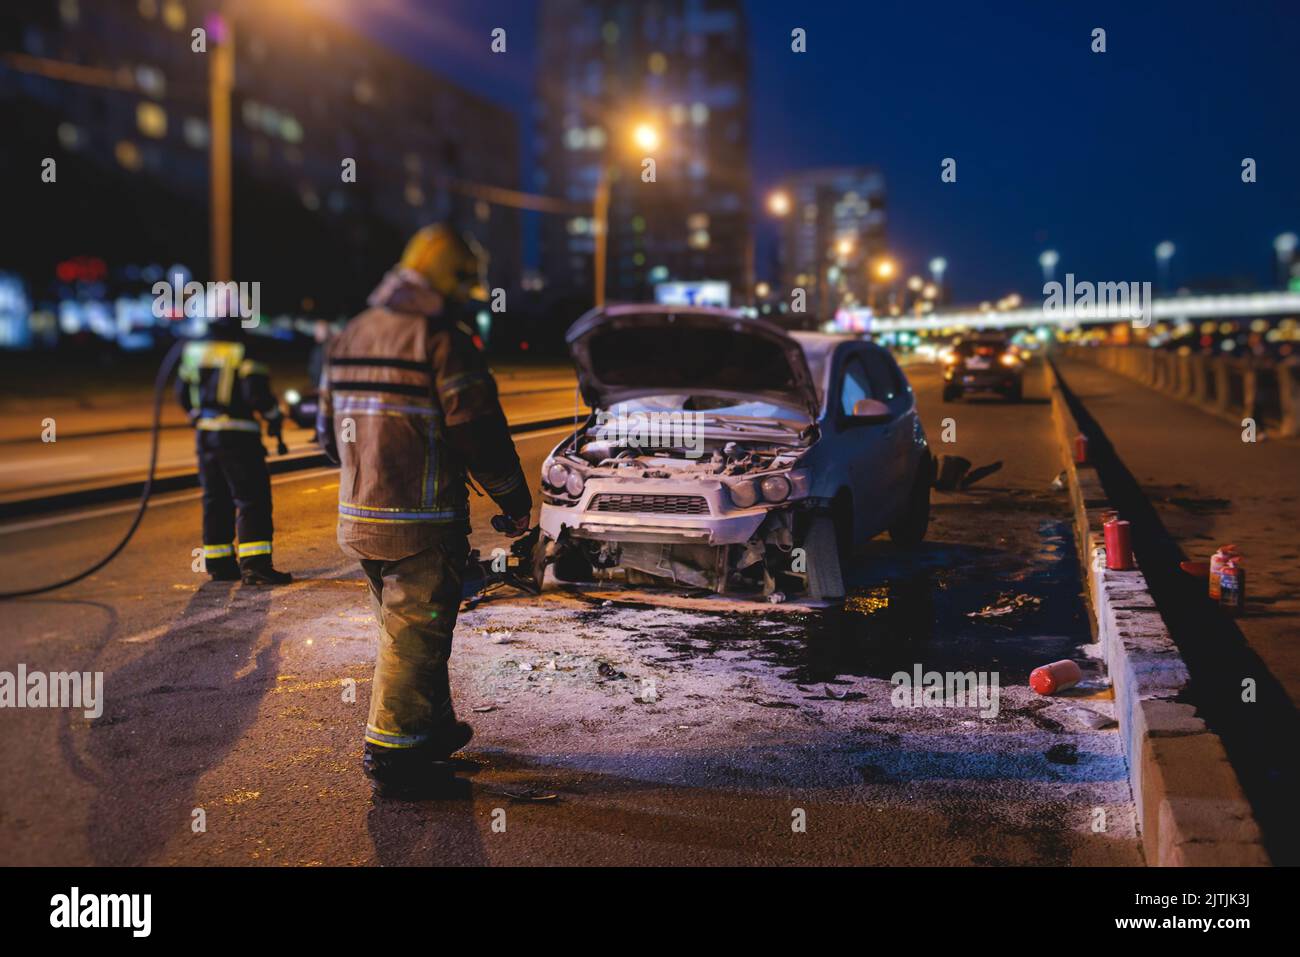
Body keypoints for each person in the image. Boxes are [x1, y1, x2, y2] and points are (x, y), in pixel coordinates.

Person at [317, 224, 532, 799]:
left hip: (358, 518)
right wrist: (513, 498)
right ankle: (394, 754)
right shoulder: (442, 341)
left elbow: (324, 433)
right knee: (416, 637)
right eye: (468, 283)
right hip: (420, 522)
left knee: (408, 633)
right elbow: (478, 434)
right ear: (450, 280)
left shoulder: (352, 334)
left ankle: (432, 731)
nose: (472, 295)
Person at [177, 316, 292, 585]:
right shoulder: (244, 349)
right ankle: (256, 567)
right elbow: (257, 394)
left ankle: (219, 564)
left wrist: (196, 414)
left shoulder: (194, 350)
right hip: (239, 436)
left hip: (205, 435)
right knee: (252, 499)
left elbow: (181, 392)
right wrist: (274, 416)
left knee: (215, 498)